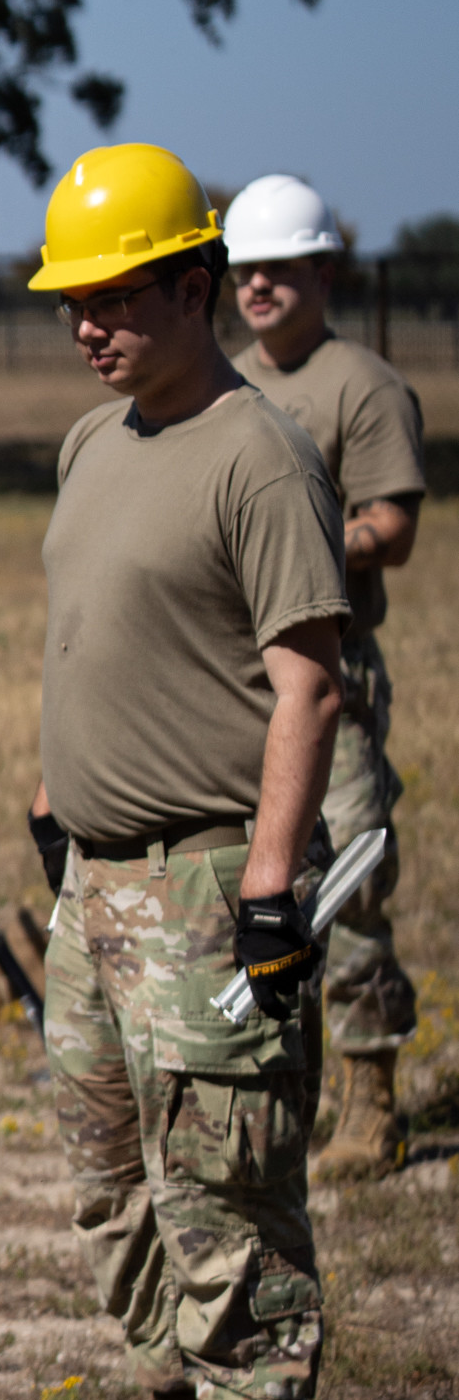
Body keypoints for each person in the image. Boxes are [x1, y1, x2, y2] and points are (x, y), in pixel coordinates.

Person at [22, 144, 347, 1400]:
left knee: (224, 1169)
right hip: (93, 878)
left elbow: (307, 681)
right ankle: (173, 1395)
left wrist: (270, 885)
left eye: (114, 295)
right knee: (109, 1167)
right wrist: (56, 793)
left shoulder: (258, 454)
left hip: (209, 876)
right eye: (70, 300)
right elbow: (86, 631)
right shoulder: (93, 443)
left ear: (193, 284)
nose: (86, 324)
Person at [225, 174, 423, 1180]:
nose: (258, 286)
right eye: (243, 270)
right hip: (234, 677)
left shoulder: (361, 384)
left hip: (326, 669)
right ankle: (275, 1082)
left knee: (346, 880)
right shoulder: (220, 382)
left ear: (322, 273)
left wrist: (300, 543)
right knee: (256, 878)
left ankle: (370, 1092)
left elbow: (392, 526)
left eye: (279, 268)